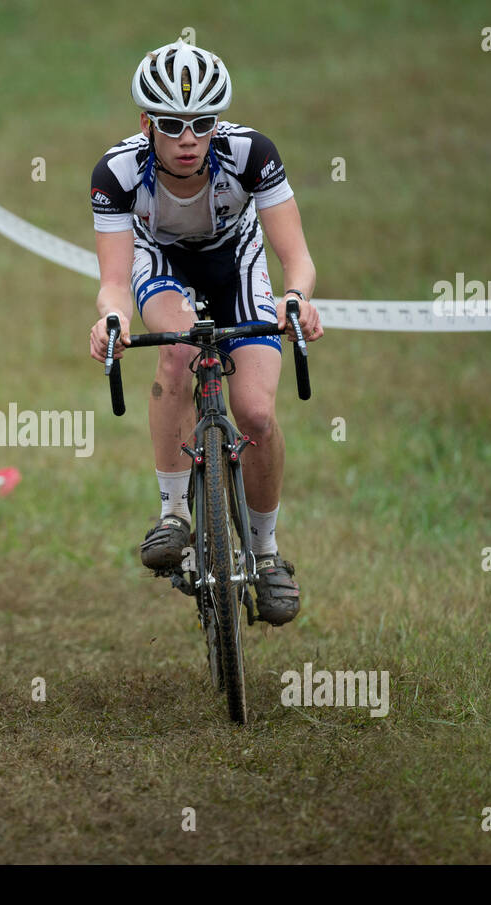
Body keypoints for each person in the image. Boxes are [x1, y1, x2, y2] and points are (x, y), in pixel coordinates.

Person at [87, 38, 324, 625]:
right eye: (171, 124)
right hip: (162, 267)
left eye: (202, 123)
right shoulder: (116, 173)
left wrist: (297, 299)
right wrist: (111, 320)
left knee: (258, 415)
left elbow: (298, 259)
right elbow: (115, 281)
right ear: (146, 123)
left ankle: (267, 556)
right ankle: (173, 516)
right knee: (176, 353)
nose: (188, 138)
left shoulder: (251, 154)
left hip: (237, 266)